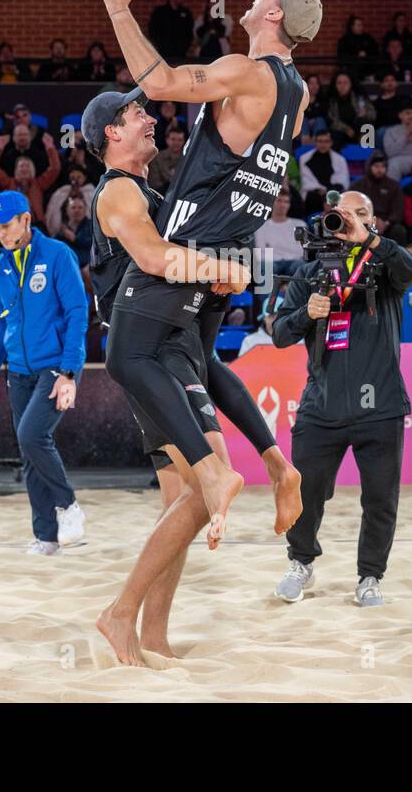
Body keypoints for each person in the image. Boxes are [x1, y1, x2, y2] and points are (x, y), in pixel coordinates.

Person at [99, 0, 319, 558]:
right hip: (234, 241)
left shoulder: (248, 72)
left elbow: (163, 82)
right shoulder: (296, 93)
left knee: (126, 355)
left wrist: (119, 9)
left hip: (196, 242)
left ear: (274, 14)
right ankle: (278, 463)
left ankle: (214, 471)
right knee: (198, 357)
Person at [83, 86, 301, 661]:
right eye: (136, 114)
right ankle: (121, 612)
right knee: (206, 488)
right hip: (148, 351)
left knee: (184, 500)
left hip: (170, 345)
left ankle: (148, 632)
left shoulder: (154, 193)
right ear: (111, 132)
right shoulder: (119, 191)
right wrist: (215, 266)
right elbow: (155, 258)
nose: (149, 119)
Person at [272, 190, 412, 607]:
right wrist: (307, 314)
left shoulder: (385, 265)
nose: (351, 220)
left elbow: (411, 271)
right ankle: (301, 562)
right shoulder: (312, 272)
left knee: (379, 498)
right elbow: (280, 333)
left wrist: (369, 241)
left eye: (361, 214)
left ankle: (370, 577)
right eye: (343, 214)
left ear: (374, 222)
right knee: (306, 491)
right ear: (330, 219)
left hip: (381, 406)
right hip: (322, 405)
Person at [0, 190, 89, 556]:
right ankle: (46, 537)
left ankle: (69, 506)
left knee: (32, 435)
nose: (2, 235)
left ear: (26, 219)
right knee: (28, 450)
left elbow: (77, 313)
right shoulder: (1, 266)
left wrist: (69, 372)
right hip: (18, 371)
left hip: (55, 367)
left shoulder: (57, 255)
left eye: (6, 226)